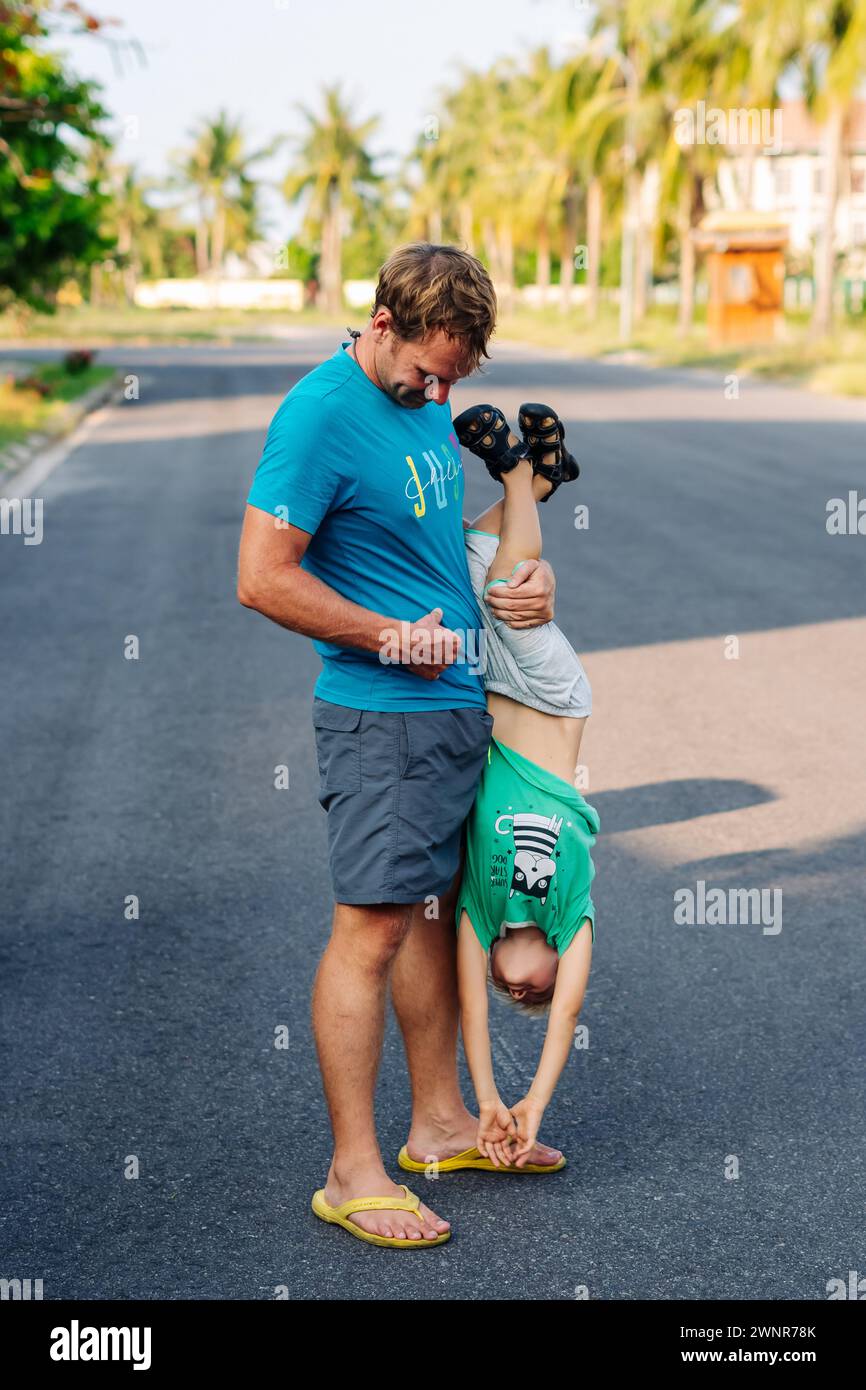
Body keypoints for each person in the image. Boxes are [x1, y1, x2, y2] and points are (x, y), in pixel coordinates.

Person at [236, 243, 563, 1250]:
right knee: (371, 929)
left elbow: (424, 541)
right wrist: (390, 637)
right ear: (380, 323)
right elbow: (260, 576)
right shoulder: (319, 414)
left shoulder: (422, 397)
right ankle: (351, 1170)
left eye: (457, 375)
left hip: (451, 709)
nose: (439, 390)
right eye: (428, 368)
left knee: (427, 917)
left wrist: (517, 577)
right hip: (379, 717)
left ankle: (438, 1125)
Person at [440, 403, 600, 1176]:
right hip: (555, 701)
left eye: (513, 991)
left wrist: (487, 1095)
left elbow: (469, 1004)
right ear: (543, 982)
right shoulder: (569, 916)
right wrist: (534, 1102)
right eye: (527, 995)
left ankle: (538, 478)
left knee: (470, 557)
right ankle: (515, 470)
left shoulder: (479, 907)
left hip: (498, 692)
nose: (515, 989)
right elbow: (569, 1013)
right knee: (508, 590)